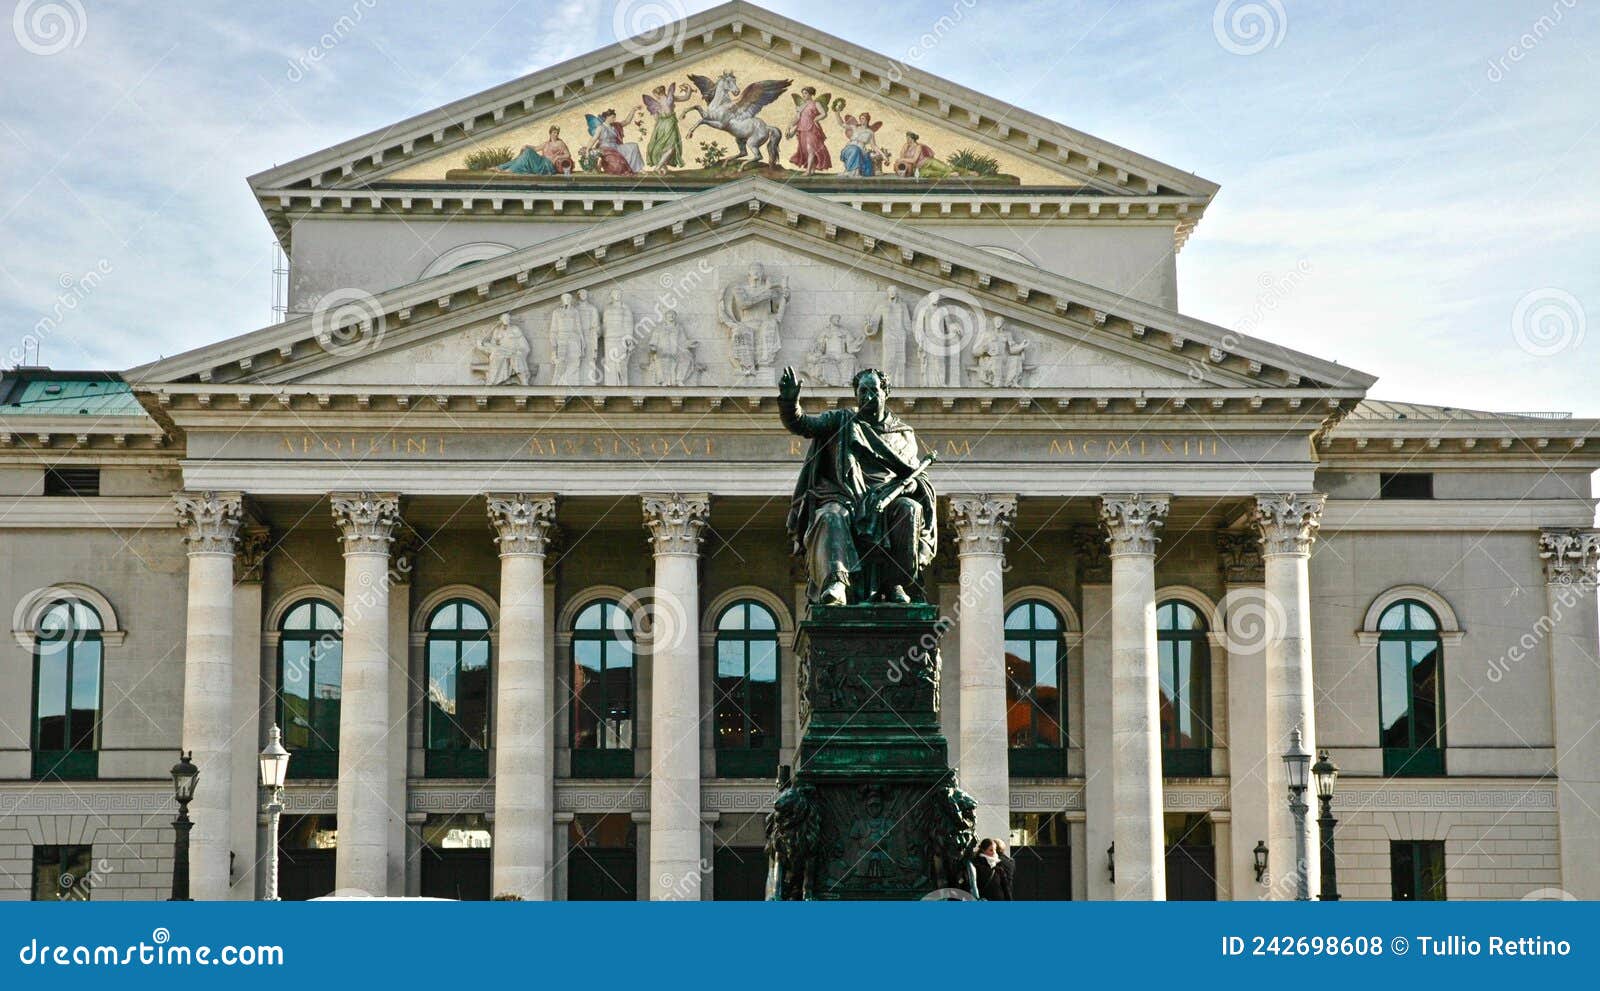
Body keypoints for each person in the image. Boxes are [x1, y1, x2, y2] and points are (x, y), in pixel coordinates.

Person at [779, 365, 937, 605]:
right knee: (831, 514)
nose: (868, 396)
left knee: (910, 509)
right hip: (845, 496)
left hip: (888, 501)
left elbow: (916, 477)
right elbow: (803, 424)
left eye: (873, 390)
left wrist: (909, 487)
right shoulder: (842, 419)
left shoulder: (903, 433)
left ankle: (895, 582)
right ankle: (836, 581)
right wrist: (789, 403)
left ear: (886, 392)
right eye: (862, 391)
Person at [787, 86, 832, 174]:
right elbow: (797, 118)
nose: (803, 95)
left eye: (805, 93)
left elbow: (824, 114)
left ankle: (808, 171)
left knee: (810, 148)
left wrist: (815, 119)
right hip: (802, 129)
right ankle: (812, 170)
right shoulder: (802, 106)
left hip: (812, 128)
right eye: (803, 93)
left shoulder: (816, 103)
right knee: (806, 150)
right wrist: (789, 126)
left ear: (811, 94)